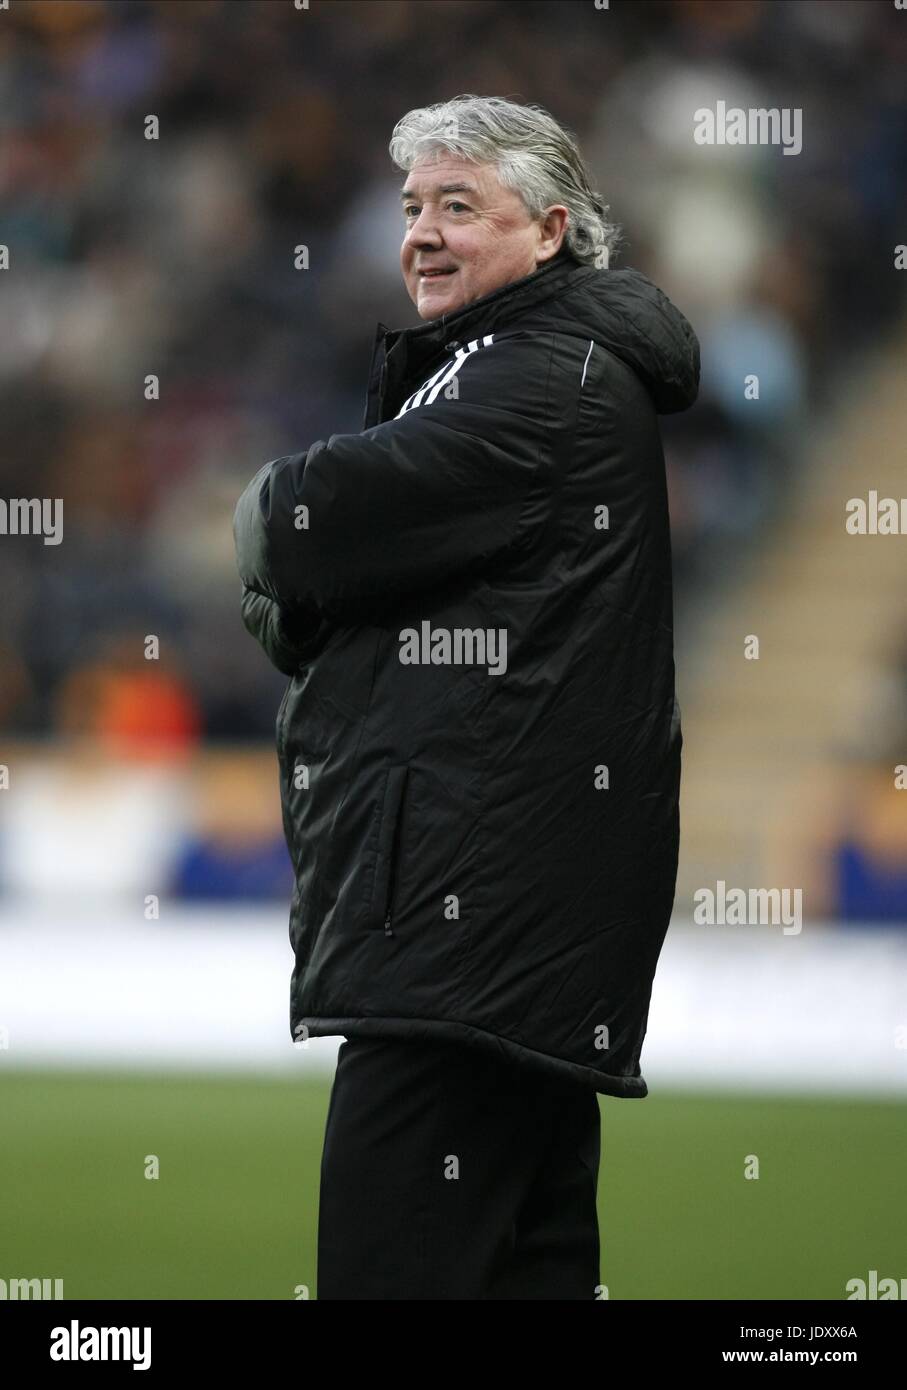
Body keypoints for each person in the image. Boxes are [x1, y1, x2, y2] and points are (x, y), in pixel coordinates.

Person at [233, 95, 699, 1299]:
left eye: (458, 206)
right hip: (506, 936)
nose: (421, 235)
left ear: (550, 232)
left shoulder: (540, 373)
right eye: (410, 208)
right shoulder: (522, 365)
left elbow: (308, 515)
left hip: (464, 937)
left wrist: (275, 549)